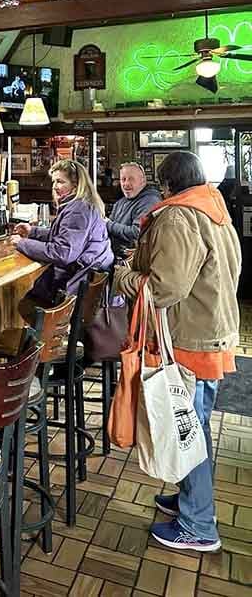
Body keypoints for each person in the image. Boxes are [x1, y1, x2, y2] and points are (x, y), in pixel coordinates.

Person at [114, 150, 241, 553]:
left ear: (166, 184)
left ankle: (199, 524)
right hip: (211, 329)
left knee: (192, 428)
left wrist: (124, 275)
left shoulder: (178, 216)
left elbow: (165, 287)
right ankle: (190, 499)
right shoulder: (213, 208)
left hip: (189, 338)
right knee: (193, 421)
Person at [11, 159, 114, 320]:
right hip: (82, 282)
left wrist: (22, 243)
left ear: (75, 185)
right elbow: (67, 237)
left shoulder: (77, 210)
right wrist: (33, 232)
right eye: (54, 181)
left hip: (72, 288)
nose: (55, 186)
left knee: (25, 304)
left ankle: (45, 343)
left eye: (60, 181)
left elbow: (63, 253)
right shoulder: (82, 204)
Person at [106, 162, 161, 257]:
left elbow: (137, 233)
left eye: (131, 179)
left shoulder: (150, 201)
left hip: (131, 260)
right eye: (123, 179)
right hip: (113, 254)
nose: (126, 184)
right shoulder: (120, 202)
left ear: (143, 181)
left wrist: (108, 224)